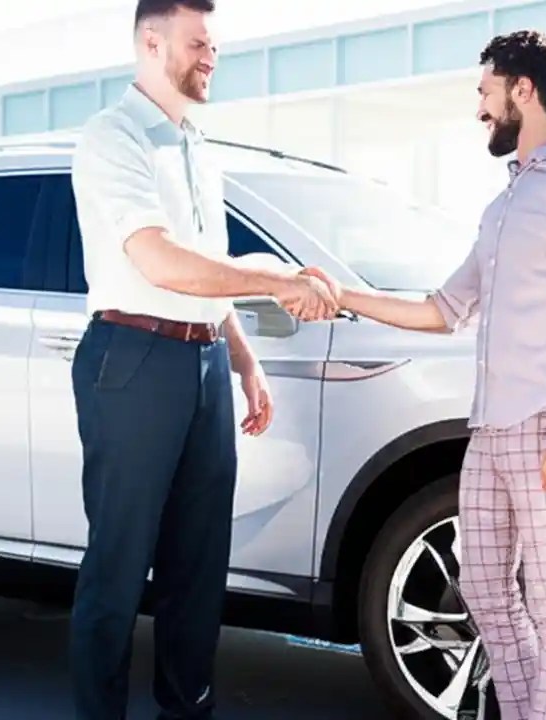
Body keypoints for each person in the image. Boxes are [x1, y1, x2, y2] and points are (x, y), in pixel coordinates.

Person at [303, 30, 546, 720]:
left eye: (486, 91)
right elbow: (444, 309)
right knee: (484, 590)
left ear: (523, 90)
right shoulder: (502, 206)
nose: (479, 108)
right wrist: (343, 293)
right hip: (488, 433)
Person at [67, 1, 337, 718]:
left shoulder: (194, 145)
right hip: (133, 360)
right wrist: (281, 281)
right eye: (199, 44)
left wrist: (243, 361)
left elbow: (207, 269)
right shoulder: (112, 137)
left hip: (205, 365)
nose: (212, 57)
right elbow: (159, 260)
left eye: (214, 45)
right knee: (119, 570)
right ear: (152, 43)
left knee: (197, 568)